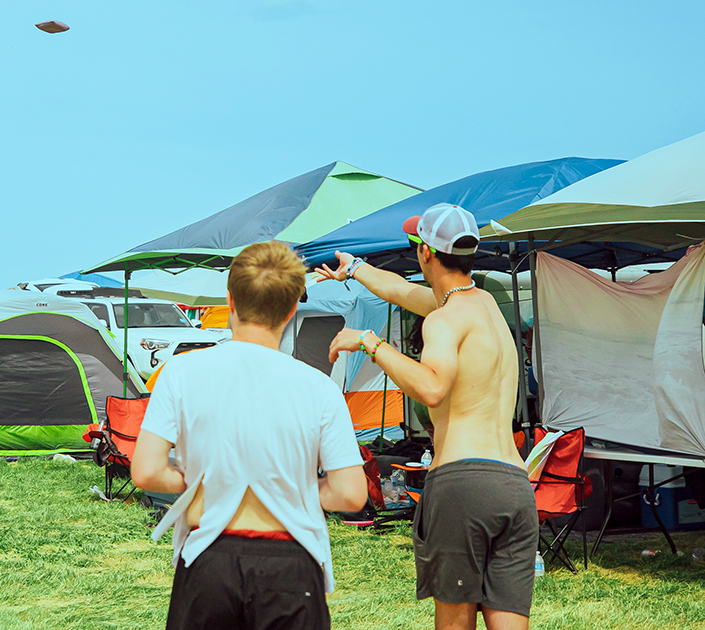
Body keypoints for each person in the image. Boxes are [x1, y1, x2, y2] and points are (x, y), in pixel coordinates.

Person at [318, 202, 538, 630]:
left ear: (425, 254)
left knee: (454, 624)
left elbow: (433, 386)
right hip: (514, 484)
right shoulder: (486, 306)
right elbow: (402, 292)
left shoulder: (443, 321)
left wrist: (370, 344)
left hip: (463, 483)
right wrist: (356, 267)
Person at [132, 241, 368, 630]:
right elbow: (350, 493)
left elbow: (146, 472)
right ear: (292, 309)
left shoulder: (181, 372)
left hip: (209, 560)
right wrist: (292, 487)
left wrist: (198, 479)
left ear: (230, 300)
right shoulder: (318, 387)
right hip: (292, 568)